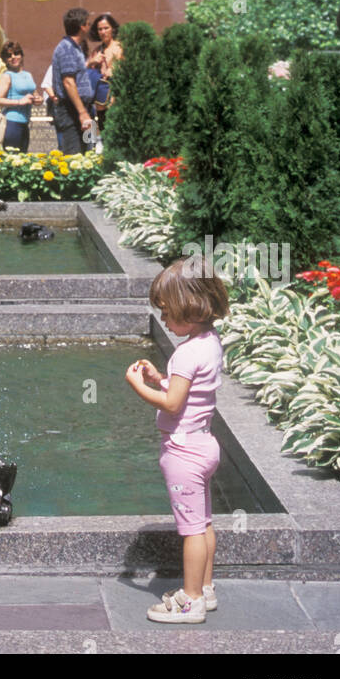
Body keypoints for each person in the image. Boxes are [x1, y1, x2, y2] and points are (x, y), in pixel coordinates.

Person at [124, 256, 230, 624]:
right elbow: (191, 393)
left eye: (168, 313)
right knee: (203, 523)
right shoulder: (210, 343)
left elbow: (173, 403)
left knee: (190, 531)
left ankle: (190, 601)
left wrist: (140, 387)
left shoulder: (186, 353)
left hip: (183, 451)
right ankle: (205, 587)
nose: (165, 321)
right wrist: (160, 378)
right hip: (204, 443)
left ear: (191, 307)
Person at [49, 7, 95, 153]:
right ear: (82, 27)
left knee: (89, 152)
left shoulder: (76, 48)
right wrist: (82, 113)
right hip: (72, 112)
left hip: (84, 110)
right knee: (74, 156)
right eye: (89, 23)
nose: (90, 26)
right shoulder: (66, 48)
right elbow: (68, 82)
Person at [0, 40, 42, 151]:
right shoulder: (7, 76)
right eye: (9, 56)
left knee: (22, 160)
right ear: (5, 60)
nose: (13, 57)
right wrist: (19, 102)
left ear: (21, 55)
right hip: (11, 122)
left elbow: (34, 93)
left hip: (25, 123)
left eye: (16, 53)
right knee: (12, 161)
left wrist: (39, 99)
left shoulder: (28, 75)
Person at [86, 12, 123, 130]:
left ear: (113, 29)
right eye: (100, 29)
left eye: (106, 28)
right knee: (103, 134)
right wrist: (91, 62)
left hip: (117, 100)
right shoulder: (96, 50)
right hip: (100, 103)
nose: (103, 32)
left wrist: (115, 69)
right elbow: (84, 74)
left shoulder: (120, 48)